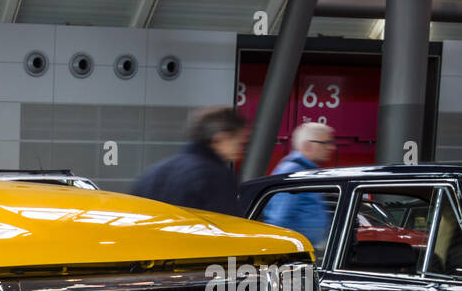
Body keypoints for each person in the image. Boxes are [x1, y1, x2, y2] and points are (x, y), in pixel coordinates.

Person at [130, 106, 248, 217]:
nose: (242, 149)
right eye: (239, 142)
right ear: (220, 137)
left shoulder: (153, 172)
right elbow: (228, 225)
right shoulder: (215, 175)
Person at [260, 121, 338, 251]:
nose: (332, 148)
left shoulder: (305, 172)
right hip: (297, 256)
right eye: (325, 143)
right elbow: (279, 221)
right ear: (307, 145)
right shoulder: (293, 172)